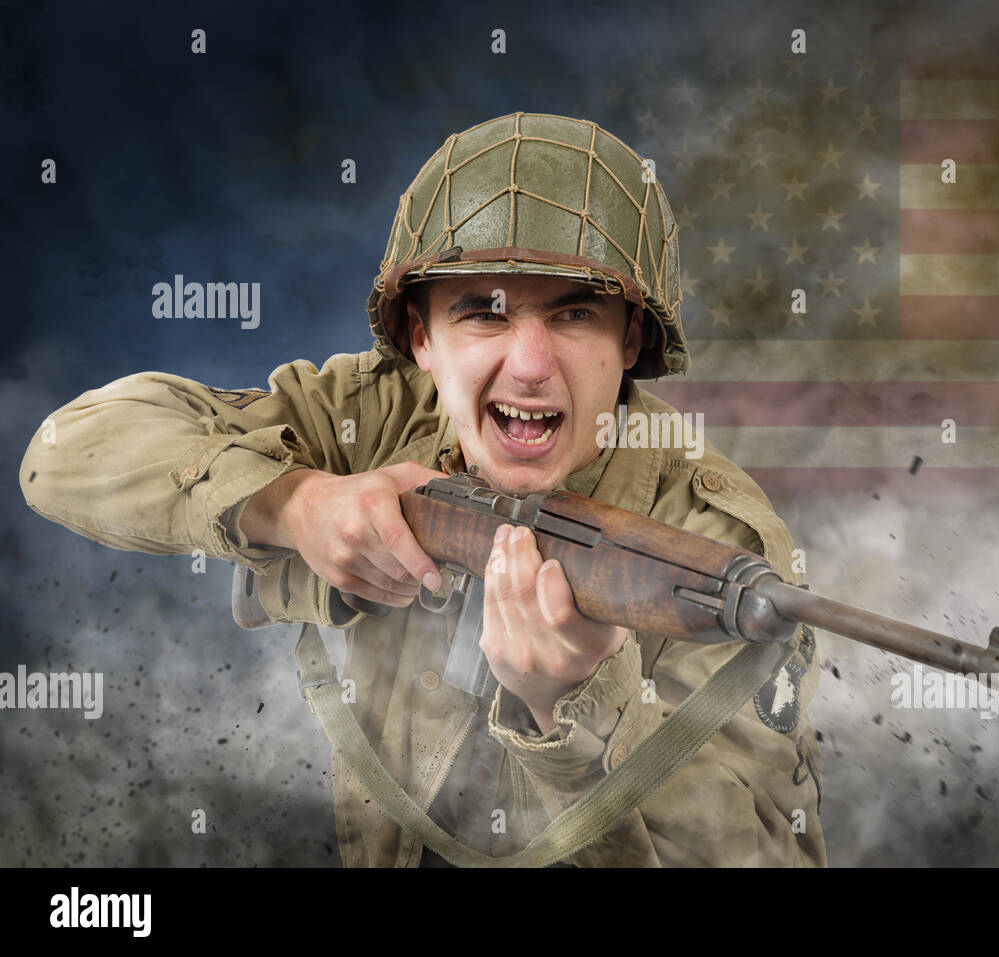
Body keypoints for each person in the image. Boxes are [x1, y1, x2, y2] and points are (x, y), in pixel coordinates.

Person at [19, 111, 826, 867]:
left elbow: (766, 852)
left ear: (631, 339)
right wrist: (295, 504)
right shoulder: (368, 416)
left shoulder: (719, 552)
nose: (532, 365)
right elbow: (61, 453)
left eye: (576, 315)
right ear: (421, 337)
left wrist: (578, 712)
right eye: (484, 313)